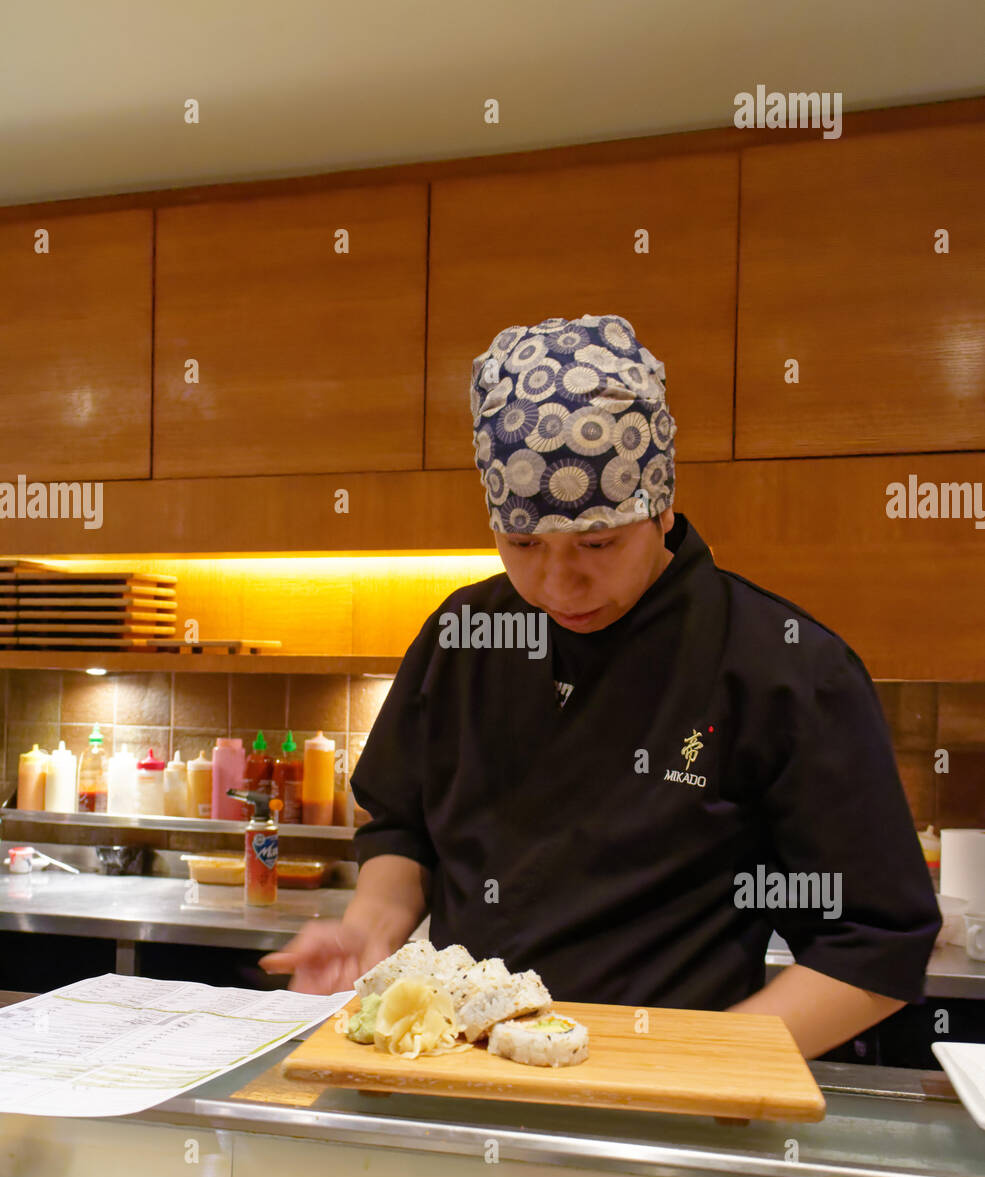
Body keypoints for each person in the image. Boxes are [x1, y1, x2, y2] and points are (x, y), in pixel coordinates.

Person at [261, 314, 940, 1059]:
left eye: (597, 543)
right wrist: (370, 928)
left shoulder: (781, 668)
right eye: (522, 545)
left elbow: (873, 942)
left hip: (668, 1120)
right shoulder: (465, 636)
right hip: (466, 1084)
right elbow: (402, 825)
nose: (557, 584)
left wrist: (699, 1064)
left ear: (660, 504)